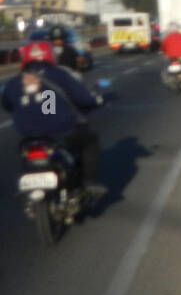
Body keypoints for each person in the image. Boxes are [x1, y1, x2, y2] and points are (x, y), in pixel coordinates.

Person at [1, 40, 107, 200]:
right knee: (90, 139)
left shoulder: (14, 82)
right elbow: (82, 98)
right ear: (50, 55)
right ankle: (88, 181)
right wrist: (95, 101)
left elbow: (7, 104)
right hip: (61, 132)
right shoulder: (59, 75)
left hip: (28, 137)